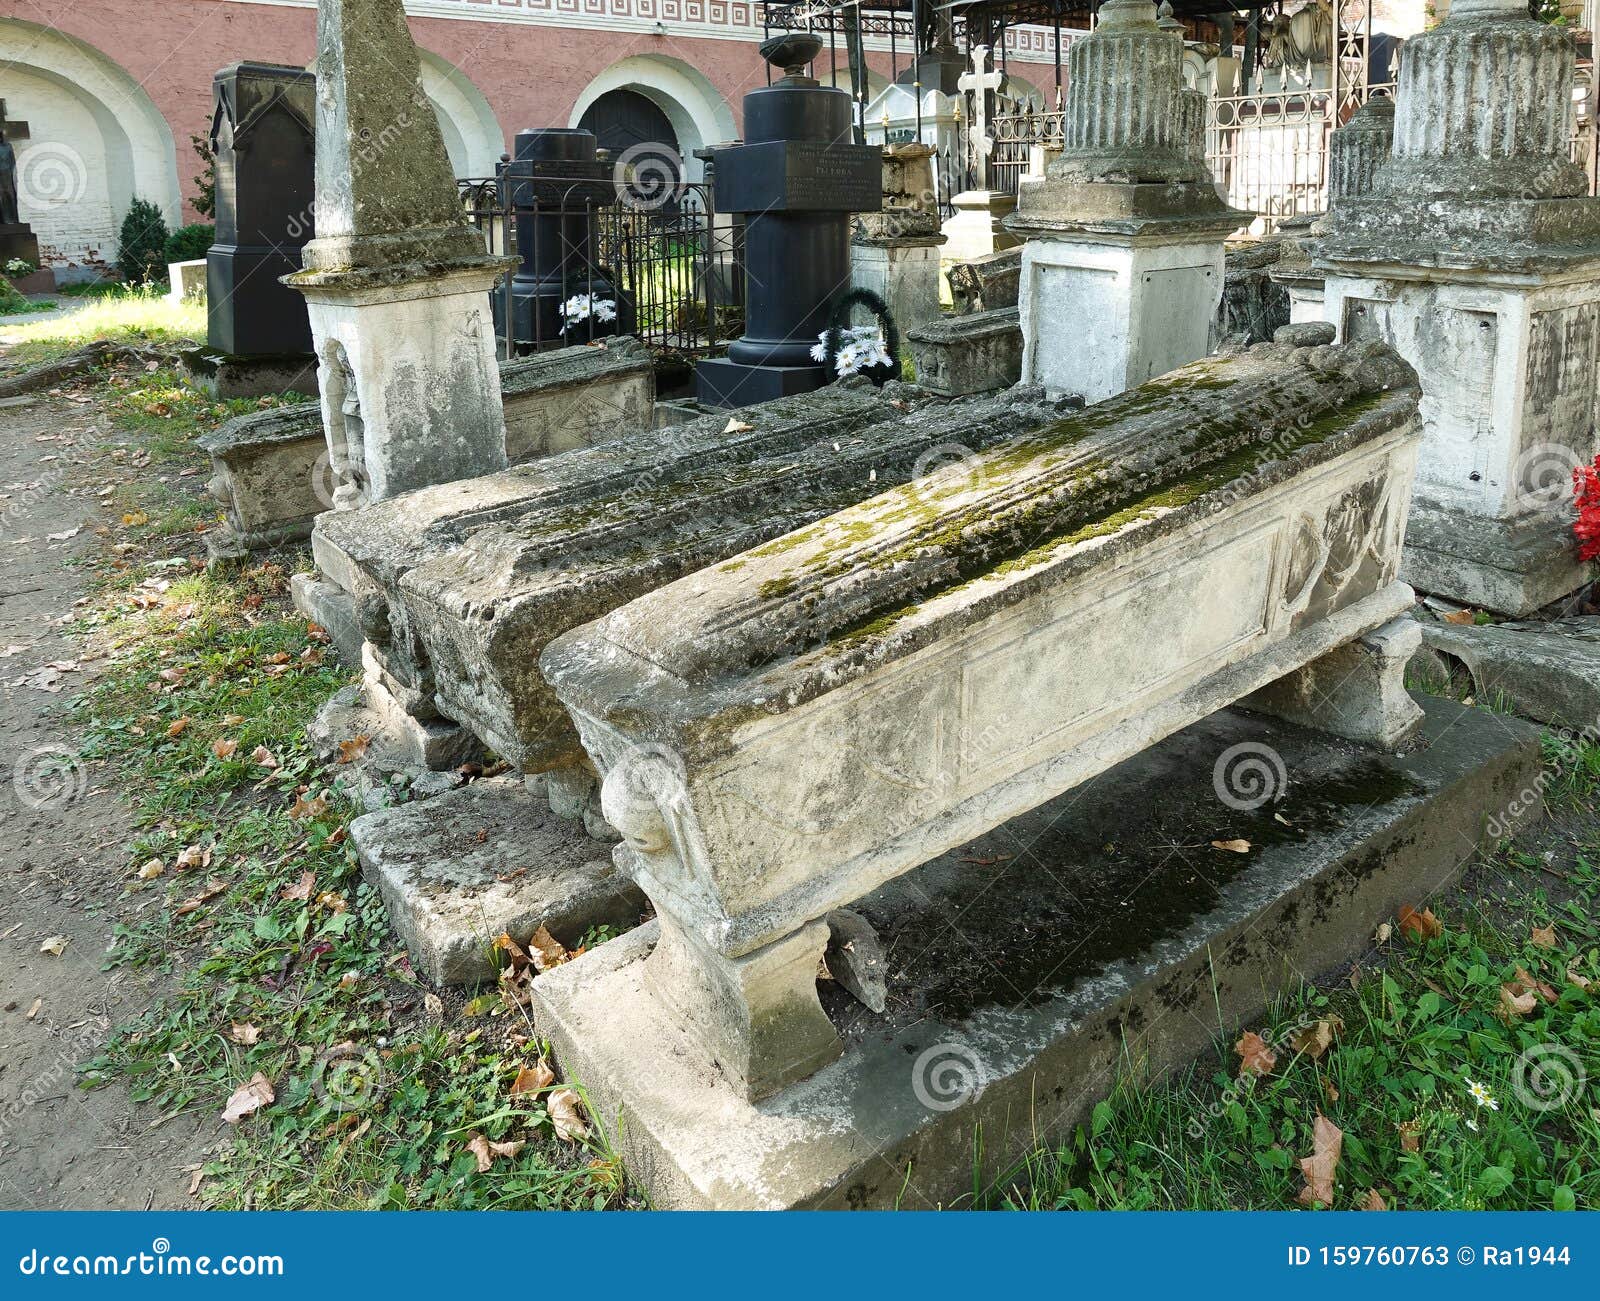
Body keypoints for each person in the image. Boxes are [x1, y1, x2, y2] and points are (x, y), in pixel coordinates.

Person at [0, 130, 21, 226]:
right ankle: (4, 220)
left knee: (11, 197)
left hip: (8, 174)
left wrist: (14, 176)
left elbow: (13, 162)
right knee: (2, 197)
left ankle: (14, 219)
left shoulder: (8, 146)